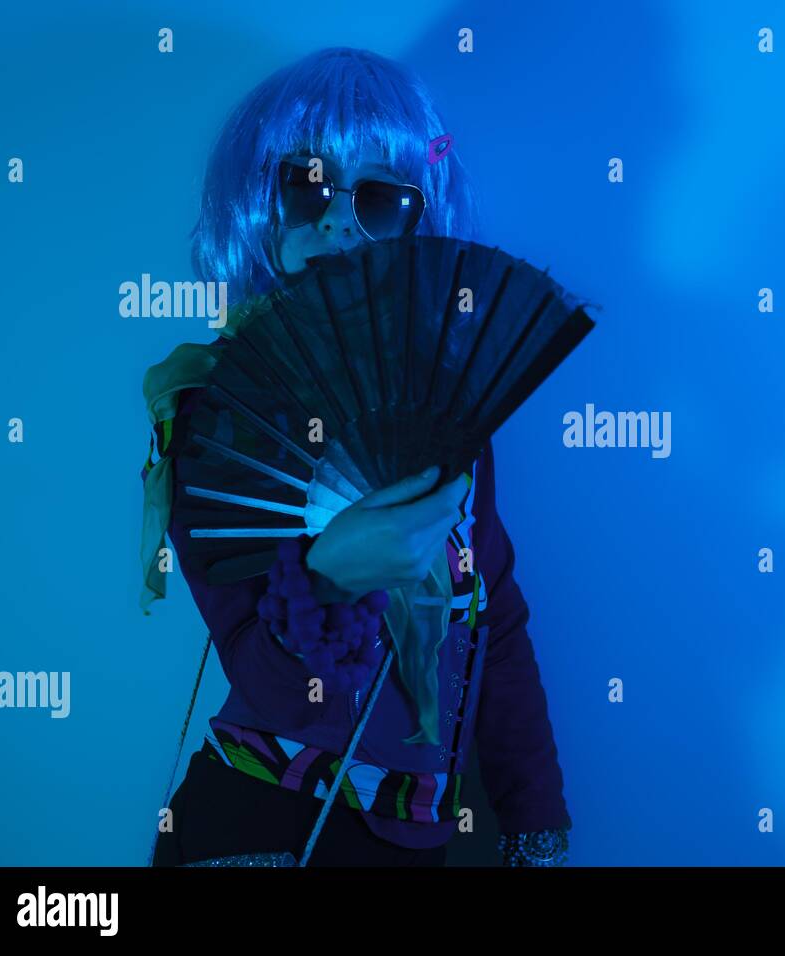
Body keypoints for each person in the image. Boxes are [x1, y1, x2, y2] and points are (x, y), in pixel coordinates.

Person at [140, 47, 571, 867]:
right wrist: (330, 576)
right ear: (258, 203)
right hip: (264, 827)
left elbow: (495, 622)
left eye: (379, 196)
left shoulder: (454, 414)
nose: (338, 220)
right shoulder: (219, 410)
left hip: (421, 840)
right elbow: (270, 683)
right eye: (305, 186)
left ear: (420, 219)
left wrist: (534, 825)